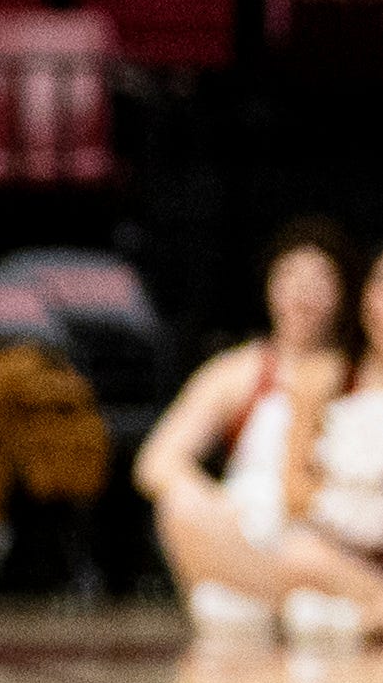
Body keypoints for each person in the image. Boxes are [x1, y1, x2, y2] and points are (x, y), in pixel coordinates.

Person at [135, 223, 383, 637]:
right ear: (270, 287)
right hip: (246, 532)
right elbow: (157, 462)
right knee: (179, 509)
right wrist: (218, 508)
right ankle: (302, 599)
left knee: (306, 554)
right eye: (290, 278)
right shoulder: (240, 370)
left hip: (330, 535)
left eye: (319, 280)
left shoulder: (359, 371)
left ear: (347, 293)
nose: (303, 294)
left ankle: (335, 598)